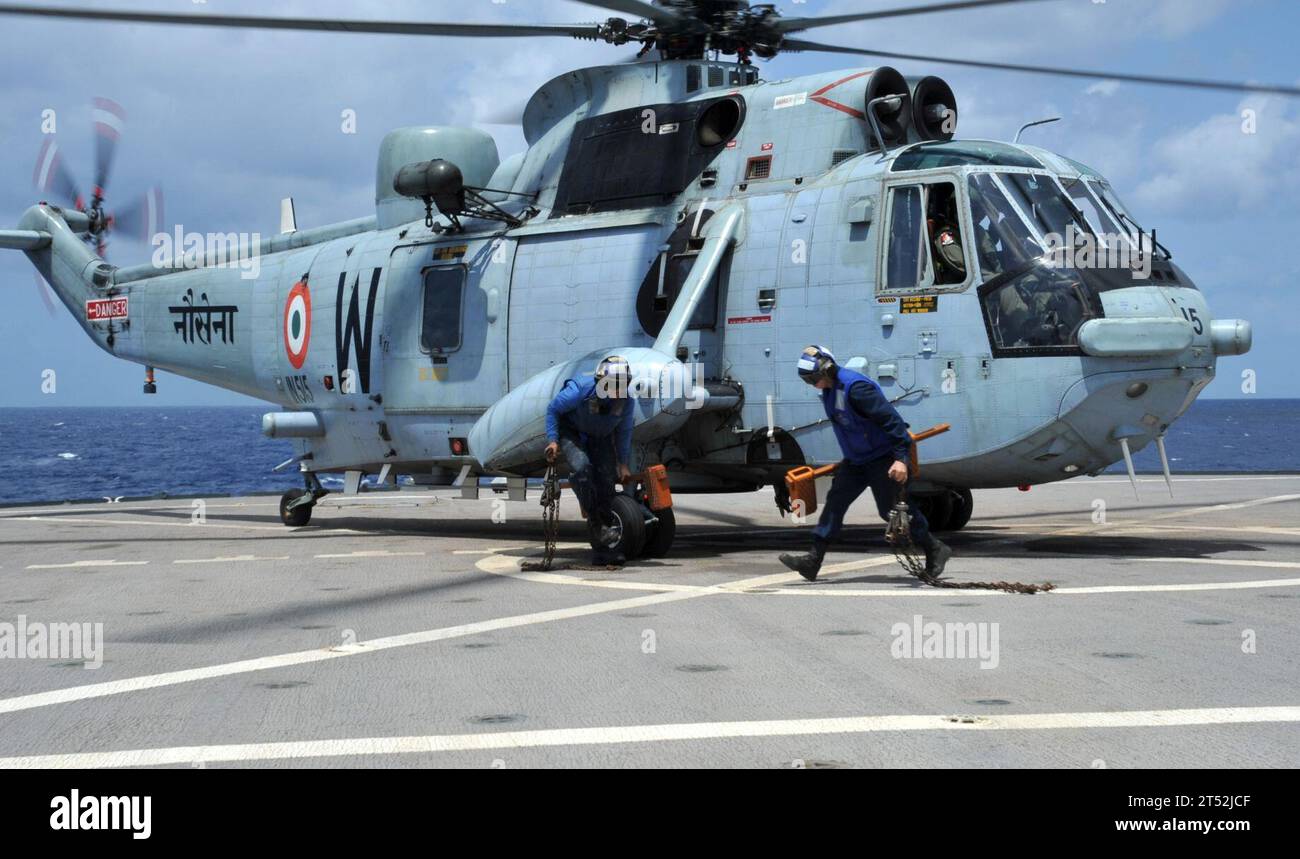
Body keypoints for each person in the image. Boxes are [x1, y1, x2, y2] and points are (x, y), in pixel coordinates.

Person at [779, 345, 952, 581]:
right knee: (835, 504)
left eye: (813, 378)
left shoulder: (857, 389)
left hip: (883, 458)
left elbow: (894, 423)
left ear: (828, 369)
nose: (813, 384)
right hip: (856, 461)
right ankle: (813, 561)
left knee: (891, 512)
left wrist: (901, 459)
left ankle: (935, 548)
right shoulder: (830, 390)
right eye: (808, 380)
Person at [545, 355, 635, 565]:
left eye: (623, 384)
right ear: (601, 381)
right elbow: (553, 409)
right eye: (614, 384)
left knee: (606, 481)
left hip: (600, 437)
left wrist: (622, 463)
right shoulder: (579, 390)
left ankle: (603, 550)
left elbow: (624, 431)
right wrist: (553, 440)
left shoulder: (626, 401)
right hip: (573, 433)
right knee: (582, 469)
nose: (618, 390)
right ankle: (597, 524)